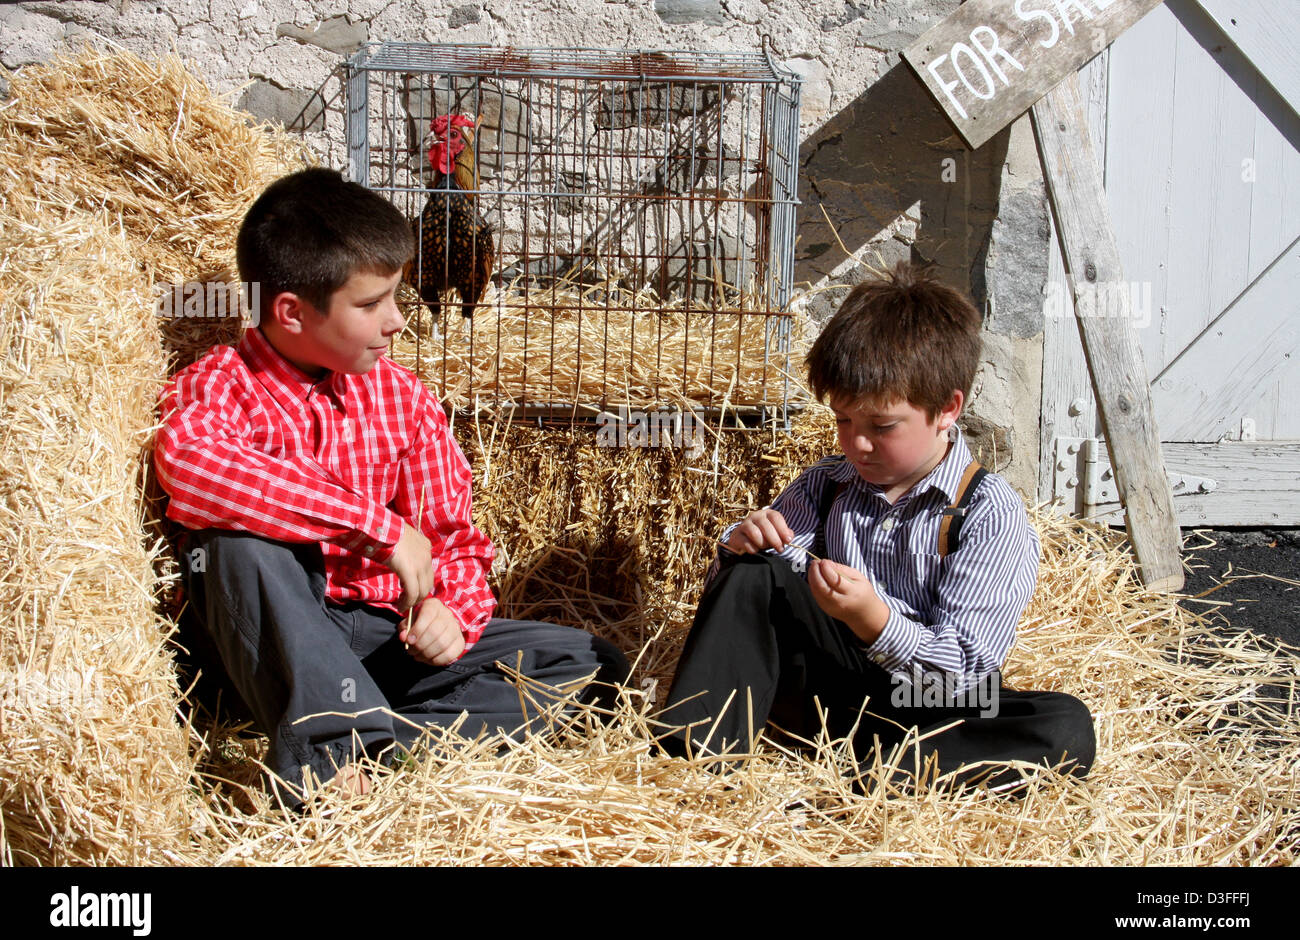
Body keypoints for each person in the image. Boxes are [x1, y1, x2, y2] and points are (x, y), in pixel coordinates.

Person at [155, 168, 628, 805]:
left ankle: (374, 745)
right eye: (372, 304)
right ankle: (329, 760)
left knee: (592, 671)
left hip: (381, 637)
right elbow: (192, 467)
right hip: (270, 640)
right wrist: (380, 529)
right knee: (236, 545)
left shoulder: (403, 399)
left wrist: (450, 612)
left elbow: (451, 541)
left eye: (396, 299)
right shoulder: (220, 385)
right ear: (292, 312)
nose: (397, 321)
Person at [659, 262, 1095, 790]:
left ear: (947, 409)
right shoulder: (825, 484)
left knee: (1064, 726)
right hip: (828, 692)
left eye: (881, 426)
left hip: (925, 706)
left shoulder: (986, 511)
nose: (856, 443)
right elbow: (743, 614)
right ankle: (691, 762)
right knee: (755, 572)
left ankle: (877, 780)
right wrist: (741, 547)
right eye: (843, 420)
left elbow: (968, 674)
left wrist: (875, 620)